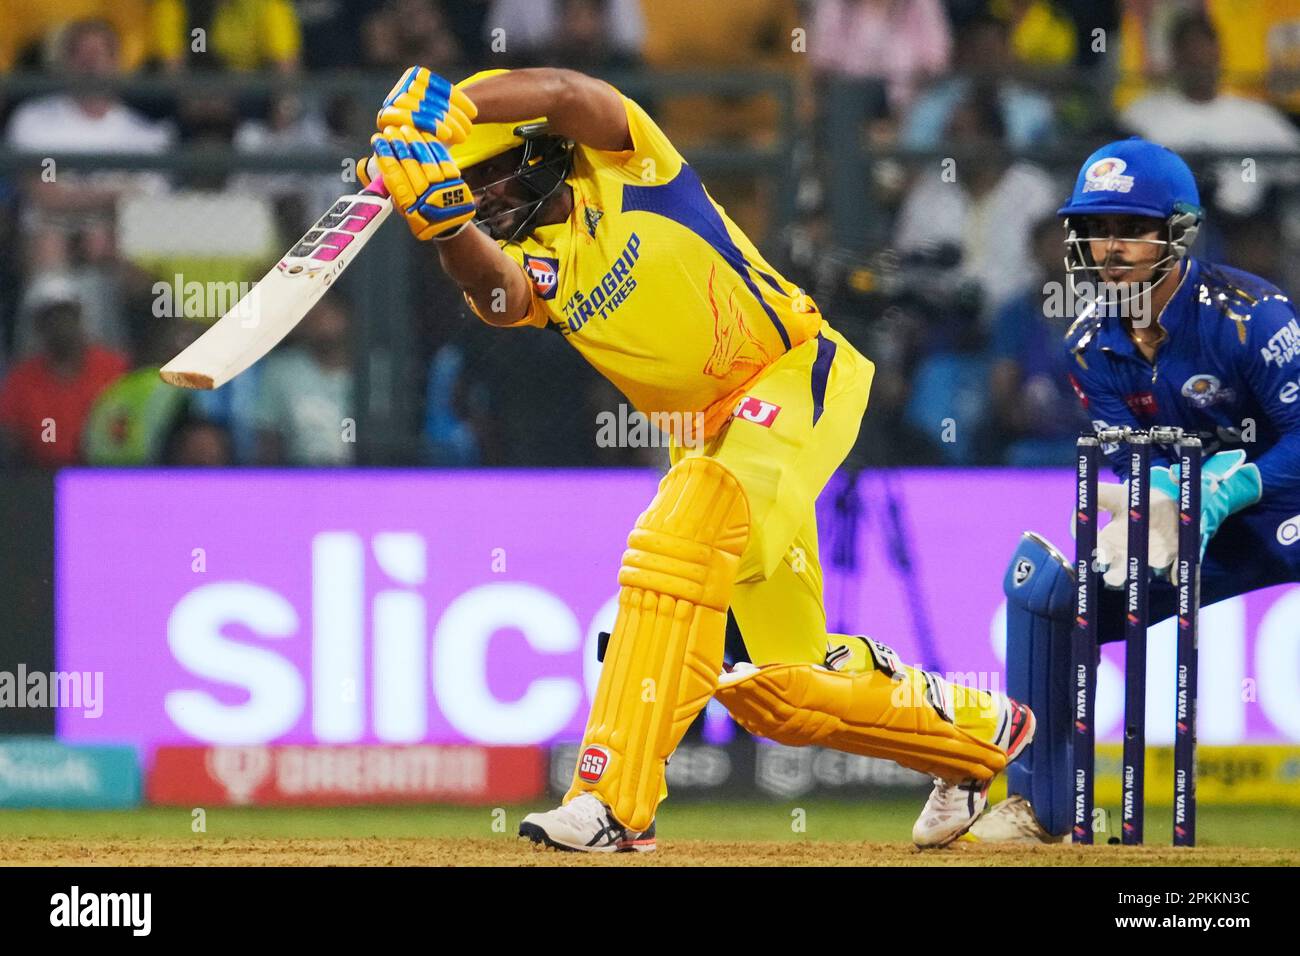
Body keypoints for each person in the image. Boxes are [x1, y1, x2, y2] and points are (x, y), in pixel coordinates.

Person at [357, 66, 1036, 851]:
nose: (483, 205)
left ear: (533, 155)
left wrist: (460, 105)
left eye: (485, 183)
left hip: (791, 376)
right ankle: (980, 735)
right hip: (713, 436)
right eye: (465, 193)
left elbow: (572, 93)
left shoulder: (627, 161)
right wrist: (446, 232)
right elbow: (498, 291)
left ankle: (611, 800)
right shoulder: (536, 259)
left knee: (681, 529)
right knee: (778, 689)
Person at [978, 137, 1300, 843]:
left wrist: (1234, 485)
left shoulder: (1252, 316)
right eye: (1097, 230)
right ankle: (1044, 808)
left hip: (1282, 503)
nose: (1110, 249)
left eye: (1131, 230)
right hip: (1194, 520)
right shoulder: (1091, 345)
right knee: (1057, 608)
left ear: (1177, 232)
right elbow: (1129, 453)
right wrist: (1152, 494)